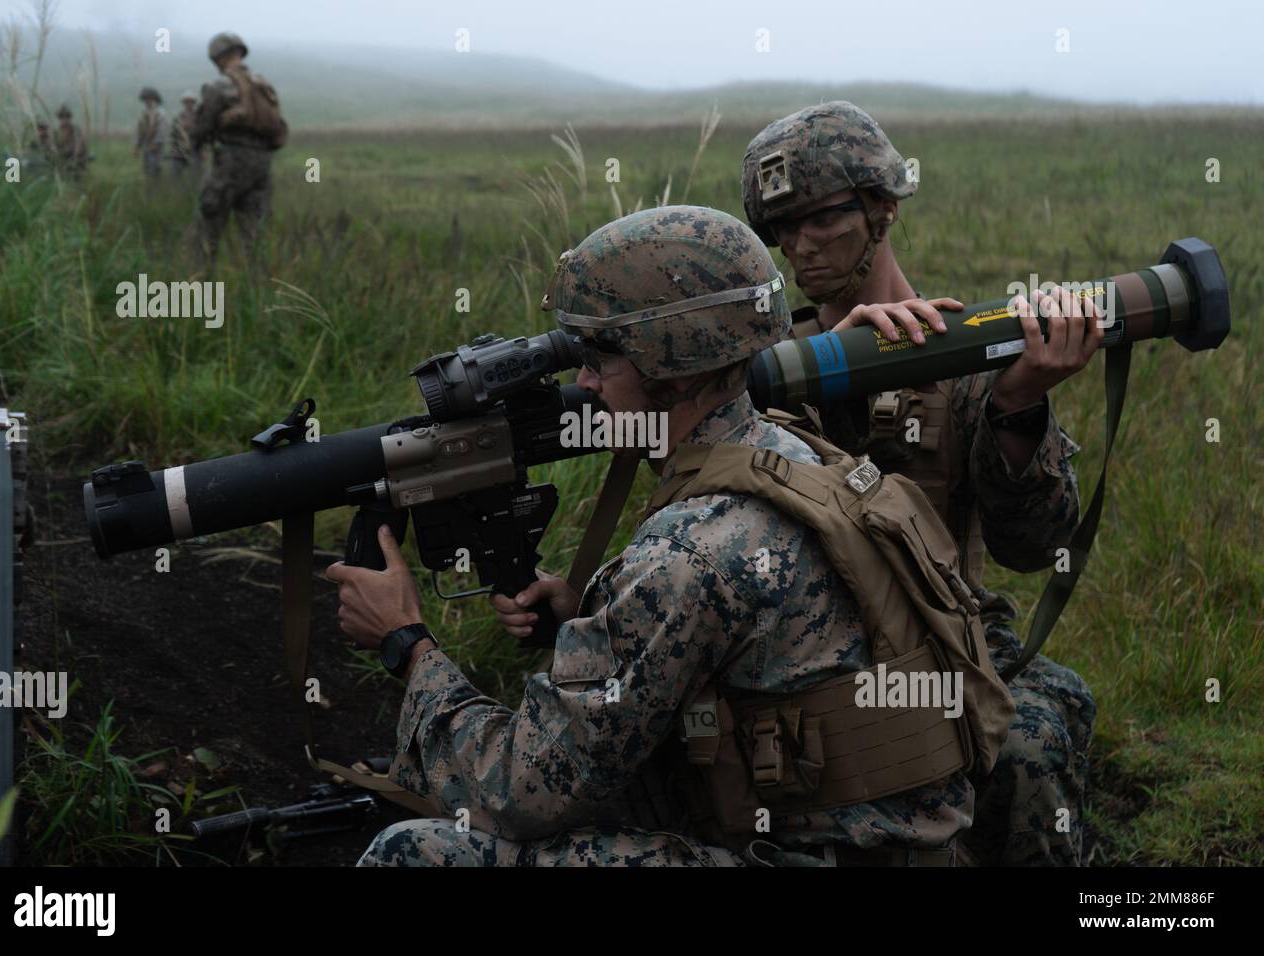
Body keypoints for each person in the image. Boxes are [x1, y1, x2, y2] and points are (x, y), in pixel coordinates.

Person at [328, 205, 1014, 867]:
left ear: (675, 365)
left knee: (413, 852)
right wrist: (590, 619)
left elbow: (520, 791)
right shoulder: (799, 456)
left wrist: (407, 645)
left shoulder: (690, 552)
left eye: (601, 355)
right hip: (897, 845)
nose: (584, 380)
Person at [740, 102, 1103, 865]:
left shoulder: (964, 357)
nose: (800, 246)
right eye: (782, 229)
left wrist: (1019, 405)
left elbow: (1035, 545)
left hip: (949, 638)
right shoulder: (766, 368)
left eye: (821, 218)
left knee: (1030, 740)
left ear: (883, 208)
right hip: (804, 642)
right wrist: (807, 381)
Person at [189, 32, 288, 268]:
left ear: (217, 57)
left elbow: (202, 127)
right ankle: (257, 291)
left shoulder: (220, 85)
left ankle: (200, 286)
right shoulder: (263, 85)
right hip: (262, 164)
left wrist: (194, 145)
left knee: (207, 226)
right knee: (254, 234)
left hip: (231, 161)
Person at [168, 90, 204, 182]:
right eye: (186, 102)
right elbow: (173, 134)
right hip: (179, 149)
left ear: (194, 103)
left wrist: (205, 150)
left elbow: (204, 134)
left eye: (190, 101)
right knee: (175, 174)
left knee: (196, 175)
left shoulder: (199, 117)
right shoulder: (178, 117)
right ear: (183, 103)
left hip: (195, 148)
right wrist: (173, 146)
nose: (188, 104)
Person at [135, 87, 167, 179]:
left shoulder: (161, 113)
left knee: (156, 168)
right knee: (147, 169)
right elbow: (140, 130)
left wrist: (157, 143)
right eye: (145, 99)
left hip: (156, 146)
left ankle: (156, 189)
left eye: (149, 98)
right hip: (146, 144)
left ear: (154, 99)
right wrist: (137, 146)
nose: (147, 101)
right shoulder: (144, 113)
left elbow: (162, 129)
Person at [53, 105, 88, 178]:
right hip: (63, 159)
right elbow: (55, 145)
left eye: (66, 117)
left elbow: (80, 143)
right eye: (62, 117)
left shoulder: (75, 129)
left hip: (75, 158)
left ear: (69, 118)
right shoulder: (57, 131)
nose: (64, 119)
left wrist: (75, 152)